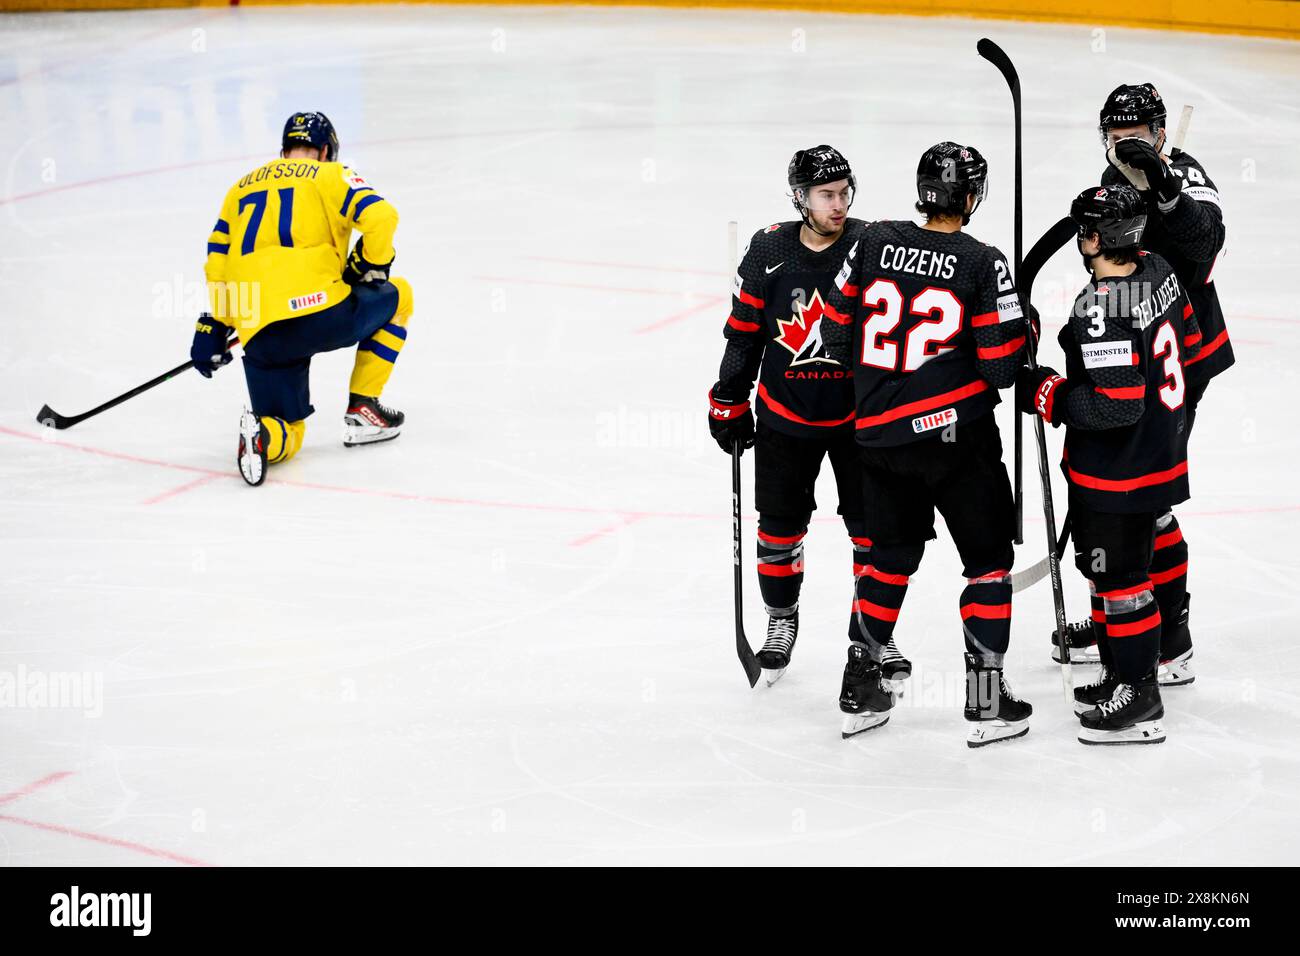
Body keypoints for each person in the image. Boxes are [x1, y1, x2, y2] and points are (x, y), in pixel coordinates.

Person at [822, 142, 1030, 746]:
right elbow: (999, 370)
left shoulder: (871, 240)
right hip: (957, 441)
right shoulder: (982, 261)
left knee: (888, 559)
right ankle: (987, 704)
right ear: (970, 196)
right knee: (988, 565)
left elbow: (834, 332)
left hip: (879, 440)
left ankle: (862, 688)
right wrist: (1022, 328)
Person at [1050, 83, 1233, 686]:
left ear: (1160, 132)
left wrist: (1168, 194)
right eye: (1115, 135)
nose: (1127, 144)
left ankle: (1164, 638)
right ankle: (1131, 619)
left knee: (1142, 499)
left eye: (1140, 134)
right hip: (1142, 350)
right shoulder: (1114, 180)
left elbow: (1204, 251)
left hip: (1180, 355)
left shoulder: (1181, 172)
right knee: (1136, 502)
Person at [707, 146, 903, 686]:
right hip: (783, 418)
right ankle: (780, 618)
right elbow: (744, 331)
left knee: (871, 534)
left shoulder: (872, 243)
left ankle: (870, 635)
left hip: (859, 421)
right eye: (826, 195)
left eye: (844, 193)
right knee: (779, 530)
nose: (839, 205)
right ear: (800, 198)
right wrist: (728, 396)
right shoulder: (770, 249)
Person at [1018, 184, 1201, 745]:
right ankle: (1121, 672)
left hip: (1119, 467)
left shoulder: (1099, 308)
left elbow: (1114, 407)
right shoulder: (1160, 268)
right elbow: (1189, 342)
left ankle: (1139, 695)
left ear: (1094, 238)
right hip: (1160, 453)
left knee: (1120, 581)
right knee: (1110, 573)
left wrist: (1046, 390)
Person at [192, 111, 413, 486]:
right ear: (326, 150)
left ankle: (262, 438)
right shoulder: (331, 174)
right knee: (400, 296)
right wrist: (371, 264)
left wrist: (217, 323)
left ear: (284, 150)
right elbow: (382, 217)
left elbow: (218, 261)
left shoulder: (239, 189)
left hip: (260, 328)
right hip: (321, 312)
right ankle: (363, 407)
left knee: (288, 429)